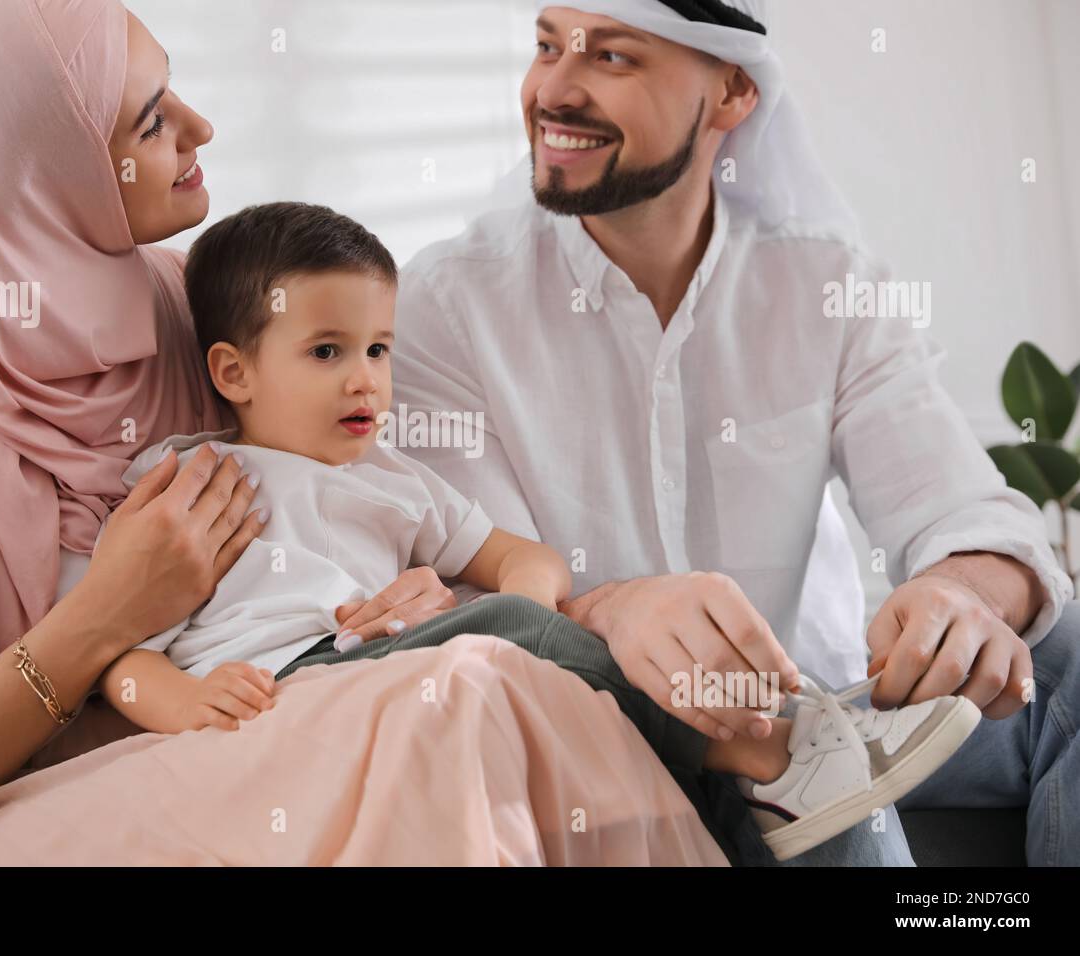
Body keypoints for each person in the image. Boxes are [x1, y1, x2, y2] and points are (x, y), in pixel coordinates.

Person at [390, 0, 1079, 865]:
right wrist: (613, 608)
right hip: (624, 733)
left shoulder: (826, 285)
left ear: (731, 93)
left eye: (612, 58)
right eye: (545, 47)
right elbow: (475, 601)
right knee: (822, 791)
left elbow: (963, 507)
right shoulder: (444, 307)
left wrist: (965, 593)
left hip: (831, 704)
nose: (552, 90)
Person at [97, 200, 989, 862]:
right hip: (288, 683)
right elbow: (116, 647)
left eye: (379, 349)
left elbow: (525, 561)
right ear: (233, 370)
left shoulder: (397, 483)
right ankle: (779, 744)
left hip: (384, 675)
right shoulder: (192, 481)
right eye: (327, 352)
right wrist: (179, 704)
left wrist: (503, 617)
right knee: (525, 643)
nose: (366, 380)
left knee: (596, 705)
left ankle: (755, 810)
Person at [0, 0, 449, 866]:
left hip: (285, 764)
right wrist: (99, 623)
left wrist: (405, 592)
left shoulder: (191, 307)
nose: (201, 127)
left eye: (174, 90)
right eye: (150, 121)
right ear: (35, 172)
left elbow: (329, 509)